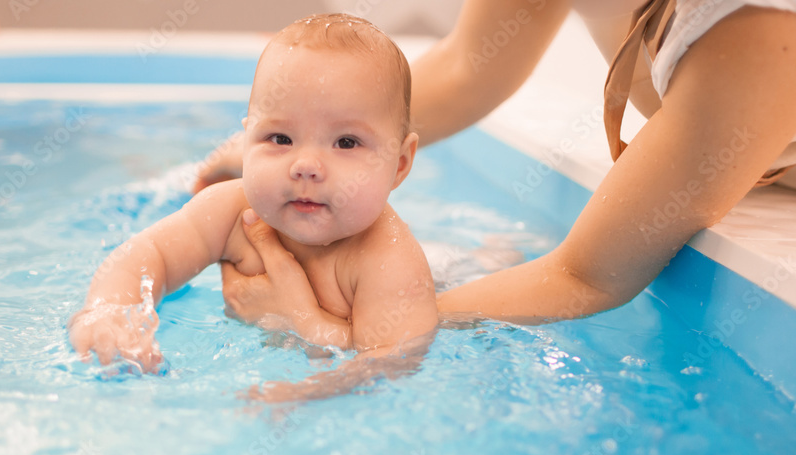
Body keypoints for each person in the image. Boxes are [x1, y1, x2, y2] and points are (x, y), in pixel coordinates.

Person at [201, 0, 796, 327]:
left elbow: (586, 277)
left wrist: (337, 326)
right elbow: (468, 66)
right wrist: (269, 146)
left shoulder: (760, 30)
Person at [68, 13, 438, 398]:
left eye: (346, 143)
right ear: (245, 143)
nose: (306, 166)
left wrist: (305, 388)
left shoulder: (390, 261)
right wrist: (107, 311)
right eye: (280, 138)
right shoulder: (232, 210)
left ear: (400, 165)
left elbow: (392, 361)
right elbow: (146, 254)